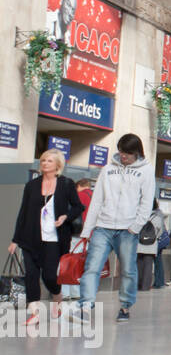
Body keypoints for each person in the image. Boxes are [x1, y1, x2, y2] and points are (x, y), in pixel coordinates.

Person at [77, 134, 155, 323]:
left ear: (136, 152)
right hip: (103, 227)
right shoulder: (107, 169)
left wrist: (136, 226)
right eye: (121, 151)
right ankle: (85, 306)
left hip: (127, 230)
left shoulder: (146, 171)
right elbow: (97, 200)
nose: (123, 156)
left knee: (128, 270)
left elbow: (147, 201)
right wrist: (87, 230)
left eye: (127, 153)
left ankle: (125, 307)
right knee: (92, 267)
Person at [8, 149, 83, 326]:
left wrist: (66, 217)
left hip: (54, 240)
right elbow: (23, 213)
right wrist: (15, 240)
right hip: (30, 238)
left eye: (49, 161)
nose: (44, 164)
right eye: (43, 161)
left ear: (57, 165)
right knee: (31, 276)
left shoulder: (66, 184)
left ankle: (57, 296)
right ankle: (34, 312)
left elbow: (78, 207)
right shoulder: (31, 186)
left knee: (50, 276)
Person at [135, 200, 168, 292]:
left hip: (139, 244)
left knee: (139, 264)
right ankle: (145, 286)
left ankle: (138, 285)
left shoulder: (139, 214)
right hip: (151, 244)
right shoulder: (158, 215)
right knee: (148, 265)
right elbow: (160, 230)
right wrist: (154, 238)